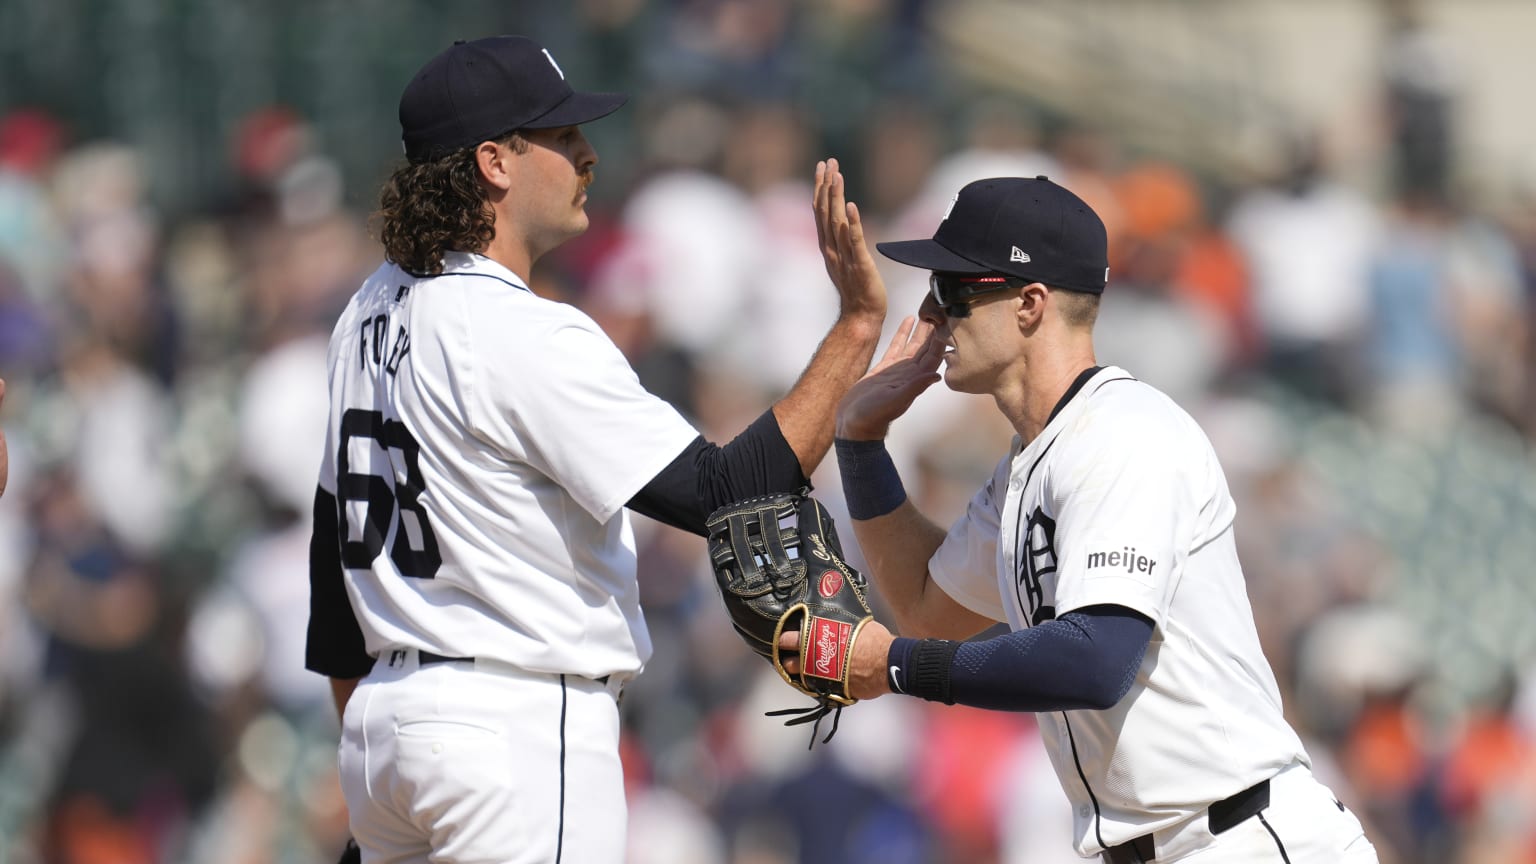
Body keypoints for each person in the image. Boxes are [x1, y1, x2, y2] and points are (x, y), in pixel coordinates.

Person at [303, 35, 885, 864]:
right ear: (495, 162)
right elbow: (727, 495)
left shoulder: (362, 313)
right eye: (561, 136)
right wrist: (856, 328)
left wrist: (382, 736)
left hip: (386, 724)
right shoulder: (521, 329)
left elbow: (334, 564)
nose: (587, 153)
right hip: (517, 724)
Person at [791, 176, 1379, 862]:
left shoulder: (1122, 433)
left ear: (1030, 304)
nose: (932, 315)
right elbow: (926, 608)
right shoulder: (1031, 464)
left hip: (1242, 838)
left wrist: (893, 667)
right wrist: (860, 443)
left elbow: (1094, 659)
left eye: (953, 293)